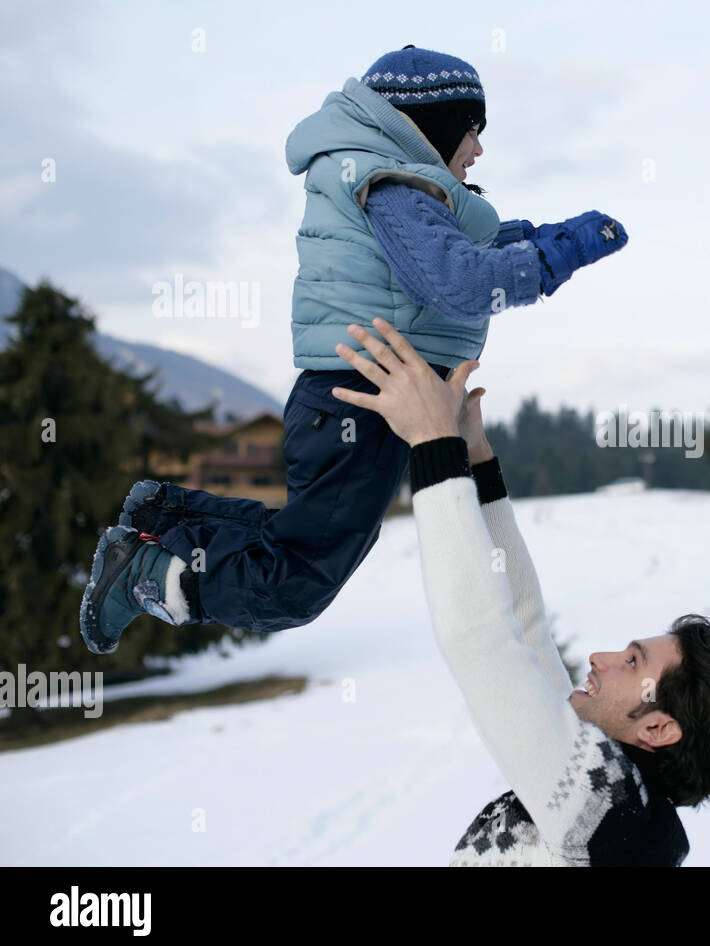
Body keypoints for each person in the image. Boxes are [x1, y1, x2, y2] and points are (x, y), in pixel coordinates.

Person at [80, 46, 627, 652]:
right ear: (431, 125)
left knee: (300, 541)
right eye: (471, 130)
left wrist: (539, 236)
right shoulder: (391, 183)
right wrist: (558, 256)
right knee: (296, 584)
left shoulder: (395, 185)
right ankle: (146, 574)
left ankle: (166, 515)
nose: (478, 150)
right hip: (363, 396)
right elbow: (460, 280)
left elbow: (451, 248)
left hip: (363, 395)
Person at [330, 318, 710, 865]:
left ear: (657, 727)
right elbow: (523, 626)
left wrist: (433, 446)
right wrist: (474, 457)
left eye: (632, 663)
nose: (600, 658)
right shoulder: (619, 806)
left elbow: (481, 642)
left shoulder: (610, 808)